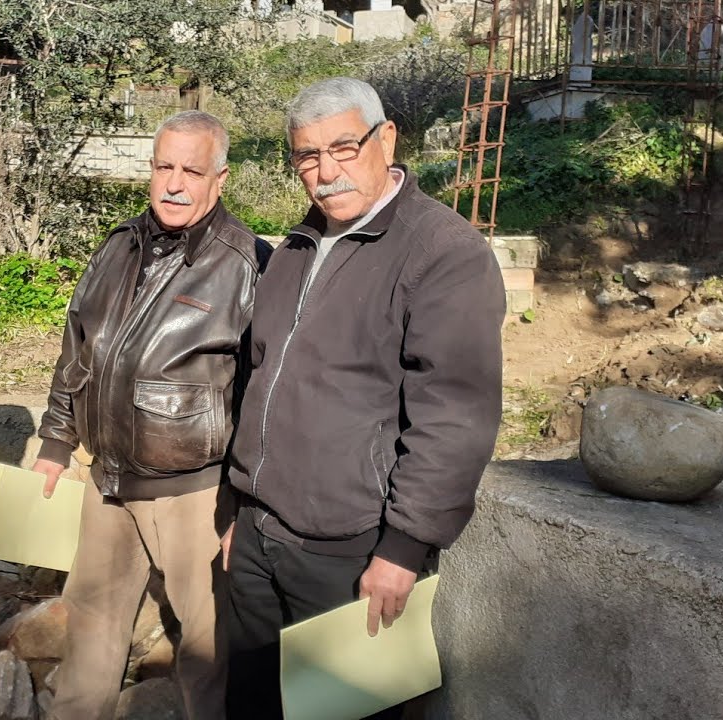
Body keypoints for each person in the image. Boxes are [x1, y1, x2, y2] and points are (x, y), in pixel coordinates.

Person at [222, 77, 505, 719]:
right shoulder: (296, 246)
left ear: (387, 140)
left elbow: (454, 416)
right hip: (261, 535)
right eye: (307, 156)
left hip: (352, 552)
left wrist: (403, 549)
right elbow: (260, 376)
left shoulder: (443, 252)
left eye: (344, 148)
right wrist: (241, 510)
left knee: (346, 715)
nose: (326, 173)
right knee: (255, 707)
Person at [33, 110, 272, 720]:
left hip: (193, 492)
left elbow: (264, 391)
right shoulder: (119, 244)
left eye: (191, 171)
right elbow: (76, 346)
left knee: (204, 641)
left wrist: (246, 497)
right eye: (164, 166)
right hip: (106, 477)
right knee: (90, 620)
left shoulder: (247, 262)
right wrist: (57, 438)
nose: (174, 183)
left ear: (221, 178)